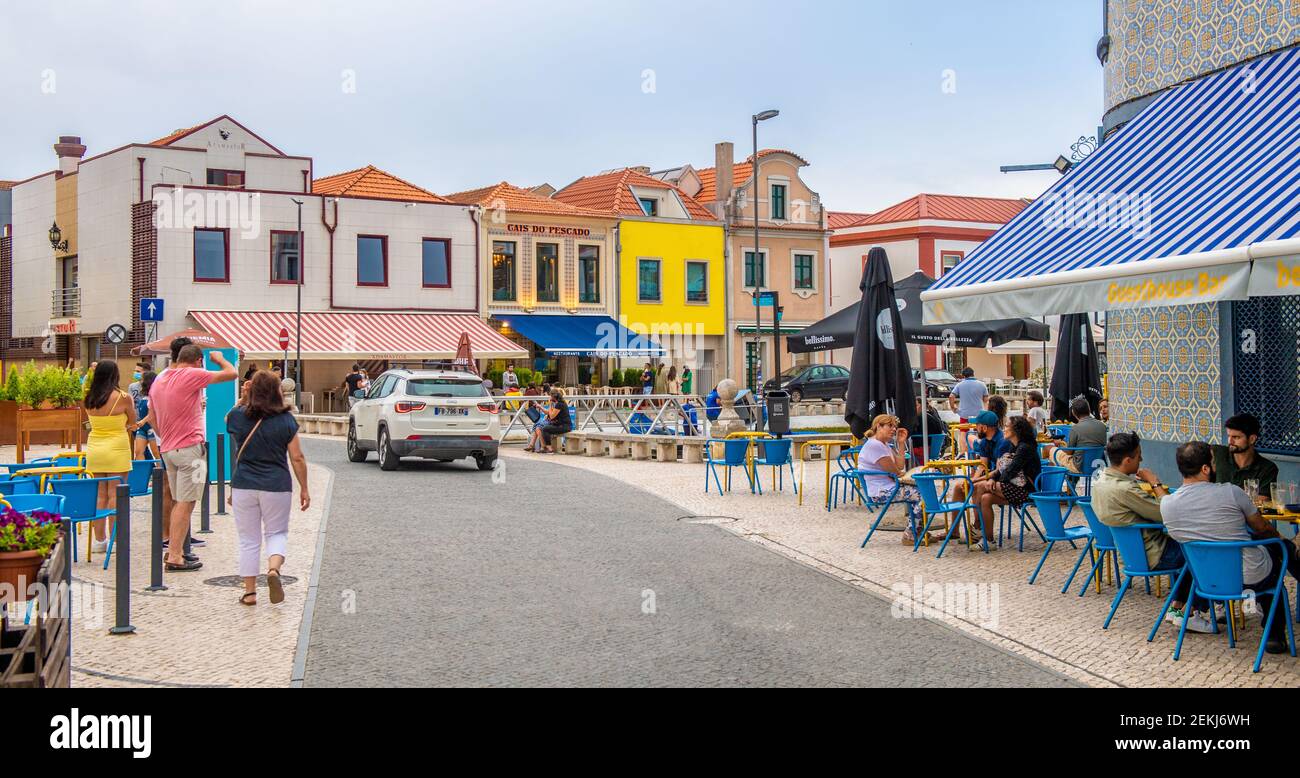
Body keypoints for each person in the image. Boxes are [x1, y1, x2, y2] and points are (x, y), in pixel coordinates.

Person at [1161, 441, 1300, 653]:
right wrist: (1282, 539)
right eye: (1214, 461)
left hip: (1205, 580)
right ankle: (1274, 636)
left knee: (1269, 551)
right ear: (1205, 469)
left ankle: (1252, 609)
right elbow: (1262, 528)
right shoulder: (1231, 492)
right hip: (1248, 577)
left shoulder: (1167, 505)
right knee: (1277, 555)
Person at [1090, 432, 1210, 632]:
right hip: (1154, 553)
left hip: (1131, 553)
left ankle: (1178, 607)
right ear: (1128, 460)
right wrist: (1155, 483)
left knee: (1190, 550)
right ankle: (1191, 611)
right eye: (1138, 456)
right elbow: (1166, 513)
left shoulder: (1100, 481)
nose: (1142, 460)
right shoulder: (1125, 489)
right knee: (1201, 552)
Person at [138, 343, 238, 571]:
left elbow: (152, 417)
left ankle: (178, 549)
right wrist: (220, 358)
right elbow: (231, 374)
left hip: (169, 450)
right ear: (198, 361)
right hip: (190, 449)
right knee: (187, 501)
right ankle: (175, 555)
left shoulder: (160, 379)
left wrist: (167, 436)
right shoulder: (191, 374)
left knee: (177, 500)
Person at [226, 371, 310, 606]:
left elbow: (227, 419)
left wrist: (243, 399)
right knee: (277, 533)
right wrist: (304, 488)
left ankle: (250, 593)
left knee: (248, 540)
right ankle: (273, 569)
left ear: (252, 390)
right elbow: (297, 458)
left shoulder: (238, 416)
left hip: (244, 485)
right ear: (278, 392)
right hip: (277, 485)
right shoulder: (286, 421)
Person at [82, 362, 138, 553]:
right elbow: (133, 422)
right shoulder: (123, 398)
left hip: (95, 448)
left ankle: (99, 541)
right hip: (117, 448)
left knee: (100, 494)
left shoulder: (89, 397)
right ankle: (115, 539)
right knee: (116, 494)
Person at [969, 415, 1041, 547]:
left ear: (1016, 430)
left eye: (1007, 426)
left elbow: (1010, 471)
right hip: (1014, 487)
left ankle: (977, 527)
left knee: (979, 487)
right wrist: (992, 479)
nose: (1004, 429)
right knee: (986, 498)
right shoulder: (1014, 446)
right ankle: (988, 540)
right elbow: (1001, 470)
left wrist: (994, 482)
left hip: (1026, 490)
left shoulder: (1024, 448)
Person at [854, 414, 922, 543]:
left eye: (895, 427)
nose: (894, 430)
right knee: (922, 495)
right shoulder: (875, 445)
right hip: (881, 491)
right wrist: (902, 474)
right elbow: (894, 470)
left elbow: (900, 465)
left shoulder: (884, 445)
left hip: (888, 487)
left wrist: (901, 443)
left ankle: (916, 531)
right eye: (890, 426)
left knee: (922, 491)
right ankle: (911, 534)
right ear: (878, 426)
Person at [1212, 413, 1278, 497]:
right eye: (1229, 436)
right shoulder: (1217, 453)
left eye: (1236, 437)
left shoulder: (1267, 468)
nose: (1230, 441)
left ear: (1252, 439)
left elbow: (1262, 500)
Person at [1043, 396, 1107, 473]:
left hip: (1079, 467)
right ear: (1089, 410)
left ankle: (1050, 481)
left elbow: (1068, 452)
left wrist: (1060, 444)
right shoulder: (1102, 426)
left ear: (1073, 412)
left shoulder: (1075, 428)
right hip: (1096, 465)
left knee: (1048, 448)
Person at [133, 371, 161, 461]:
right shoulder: (144, 395)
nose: (140, 381)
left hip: (152, 428)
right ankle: (143, 474)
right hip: (142, 428)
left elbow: (153, 413)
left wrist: (143, 421)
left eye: (142, 379)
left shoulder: (156, 395)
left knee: (156, 453)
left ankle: (160, 473)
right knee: (138, 451)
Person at [912, 396, 948, 462]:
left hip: (925, 449)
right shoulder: (932, 413)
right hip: (935, 448)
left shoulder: (922, 418)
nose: (913, 408)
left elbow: (914, 434)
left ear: (922, 405)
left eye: (916, 405)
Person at [537, 389, 572, 454]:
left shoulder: (560, 404)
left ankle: (549, 448)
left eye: (550, 396)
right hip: (560, 425)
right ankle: (544, 447)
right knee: (542, 427)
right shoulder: (557, 403)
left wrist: (550, 405)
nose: (549, 398)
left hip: (565, 426)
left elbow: (552, 416)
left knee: (545, 429)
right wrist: (540, 407)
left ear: (553, 397)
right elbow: (549, 413)